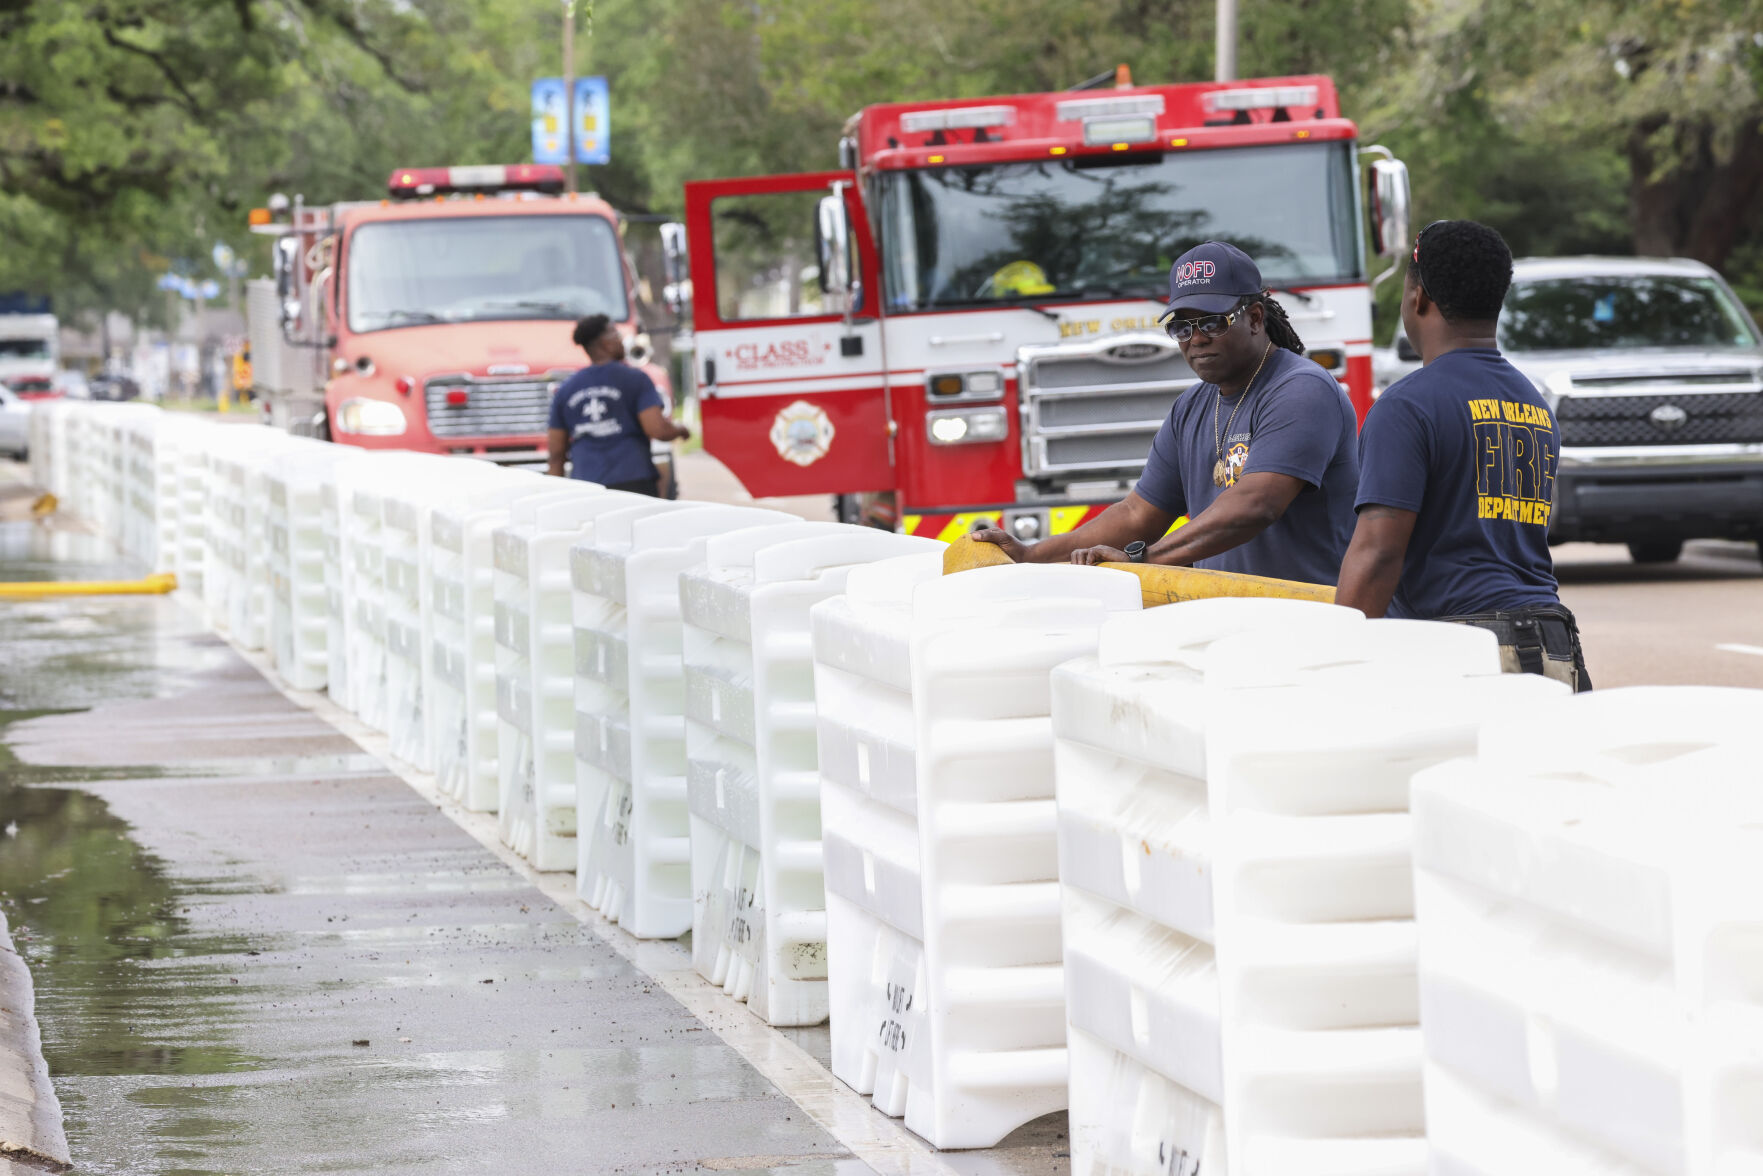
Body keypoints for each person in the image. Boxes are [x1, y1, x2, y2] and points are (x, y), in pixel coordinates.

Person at [973, 241, 1360, 582]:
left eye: (1212, 322)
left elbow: (1256, 504)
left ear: (1255, 318)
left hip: (1317, 619)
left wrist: (1141, 560)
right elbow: (1137, 514)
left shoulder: (1301, 389)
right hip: (1236, 620)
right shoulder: (1191, 408)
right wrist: (1030, 555)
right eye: (1182, 328)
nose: (1197, 339)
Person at [1335, 220, 1591, 690]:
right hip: (1551, 647)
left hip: (1458, 652)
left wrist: (1335, 660)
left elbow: (1378, 552)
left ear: (1418, 298)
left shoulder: (1406, 406)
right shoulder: (1534, 406)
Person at [546, 314, 689, 495]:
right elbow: (658, 429)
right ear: (605, 343)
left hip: (586, 487)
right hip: (634, 483)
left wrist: (555, 497)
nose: (621, 340)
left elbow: (556, 454)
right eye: (616, 334)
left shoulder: (566, 390)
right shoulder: (636, 379)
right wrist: (680, 430)